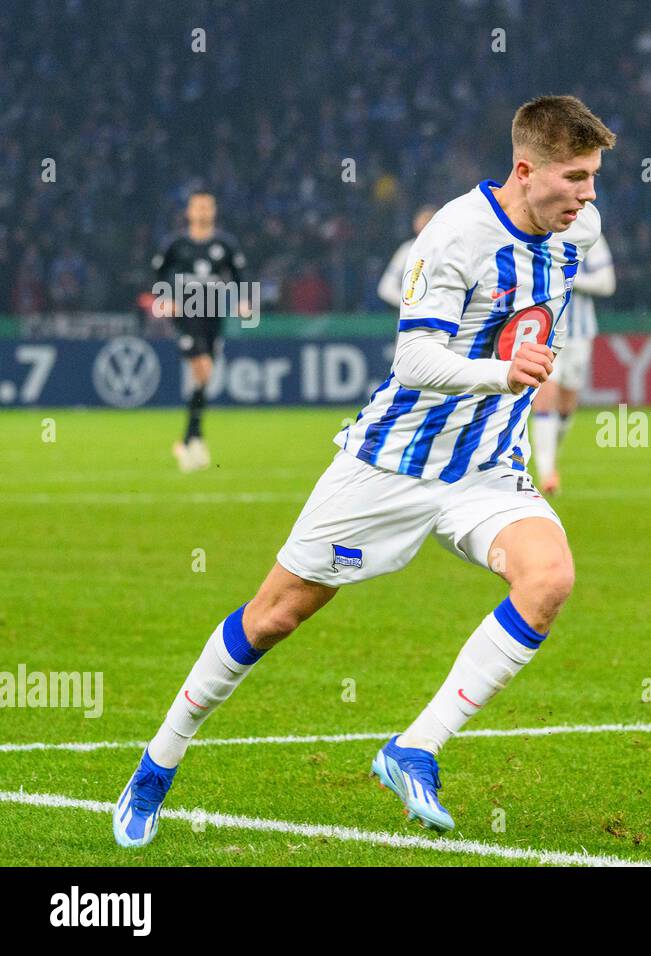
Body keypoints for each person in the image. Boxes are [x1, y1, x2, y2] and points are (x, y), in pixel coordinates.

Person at [114, 95, 616, 847]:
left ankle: (413, 748)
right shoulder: (455, 235)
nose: (589, 194)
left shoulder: (582, 228)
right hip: (392, 463)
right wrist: (500, 373)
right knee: (274, 615)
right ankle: (159, 761)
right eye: (575, 177)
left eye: (594, 178)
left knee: (548, 580)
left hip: (484, 467)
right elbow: (413, 358)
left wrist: (510, 386)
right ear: (525, 169)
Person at [151, 192, 249, 472]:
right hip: (186, 315)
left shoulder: (225, 244)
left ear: (214, 211)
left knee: (203, 375)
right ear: (189, 212)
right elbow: (158, 272)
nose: (203, 212)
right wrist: (165, 297)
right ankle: (192, 437)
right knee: (203, 366)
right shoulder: (176, 244)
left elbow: (239, 275)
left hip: (213, 316)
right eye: (198, 207)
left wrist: (242, 301)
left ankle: (190, 437)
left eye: (208, 207)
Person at [530, 232, 615, 494]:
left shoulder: (590, 236)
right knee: (545, 397)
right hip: (544, 331)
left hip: (579, 333)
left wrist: (571, 279)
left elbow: (607, 284)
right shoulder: (535, 230)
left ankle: (550, 454)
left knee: (566, 404)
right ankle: (547, 473)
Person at [377, 204, 441, 308]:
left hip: (443, 318)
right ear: (415, 224)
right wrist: (412, 304)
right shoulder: (407, 249)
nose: (425, 224)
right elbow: (386, 288)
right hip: (413, 320)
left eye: (430, 220)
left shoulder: (449, 249)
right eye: (423, 220)